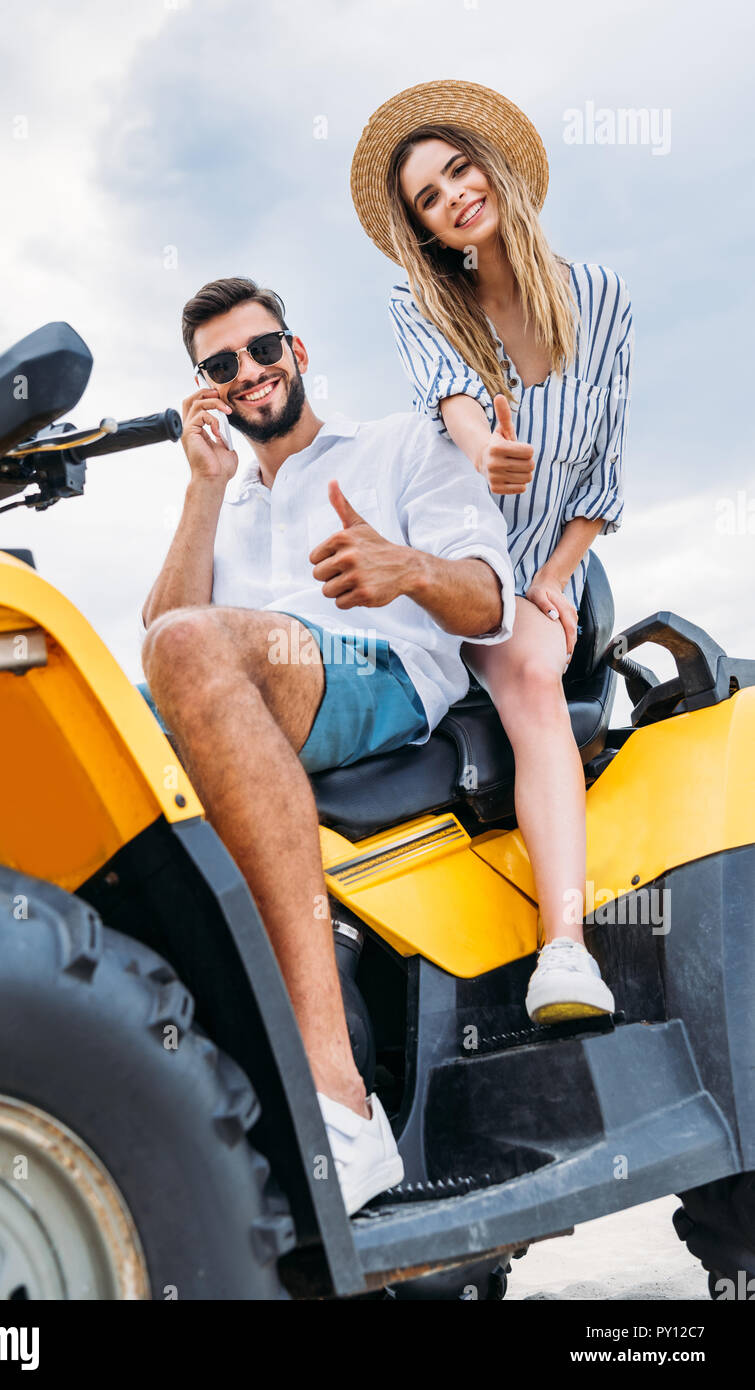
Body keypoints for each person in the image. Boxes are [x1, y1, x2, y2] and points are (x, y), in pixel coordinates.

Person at [141, 275, 515, 1214]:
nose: (248, 372)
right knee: (90, 712)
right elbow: (163, 634)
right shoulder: (220, 507)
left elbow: (488, 599)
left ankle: (337, 1098)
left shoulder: (399, 443)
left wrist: (405, 567)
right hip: (251, 679)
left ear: (297, 352)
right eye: (220, 366)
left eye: (263, 349)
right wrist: (202, 488)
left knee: (192, 644)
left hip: (377, 672)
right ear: (208, 391)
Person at [350, 79, 634, 1024]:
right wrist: (487, 453)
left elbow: (602, 477)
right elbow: (453, 404)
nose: (451, 198)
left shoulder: (600, 297)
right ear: (424, 230)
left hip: (551, 563)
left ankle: (565, 951)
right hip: (463, 555)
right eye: (427, 199)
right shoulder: (419, 301)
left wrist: (555, 579)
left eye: (456, 172)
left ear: (492, 168)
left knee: (526, 666)